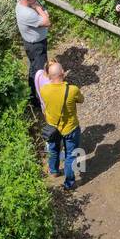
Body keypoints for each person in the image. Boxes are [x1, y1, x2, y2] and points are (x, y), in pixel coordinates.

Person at [39, 62, 84, 190]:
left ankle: (54, 171)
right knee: (70, 155)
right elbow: (81, 100)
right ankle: (69, 183)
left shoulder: (44, 90)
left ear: (49, 76)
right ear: (63, 73)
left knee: (53, 149)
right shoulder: (72, 90)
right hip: (70, 128)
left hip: (52, 128)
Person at [15, 0, 51, 99]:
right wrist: (40, 9)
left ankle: (32, 92)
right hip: (36, 46)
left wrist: (39, 9)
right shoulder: (28, 13)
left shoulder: (20, 4)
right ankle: (39, 96)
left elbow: (45, 18)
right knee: (40, 71)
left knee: (33, 67)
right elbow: (47, 22)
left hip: (30, 43)